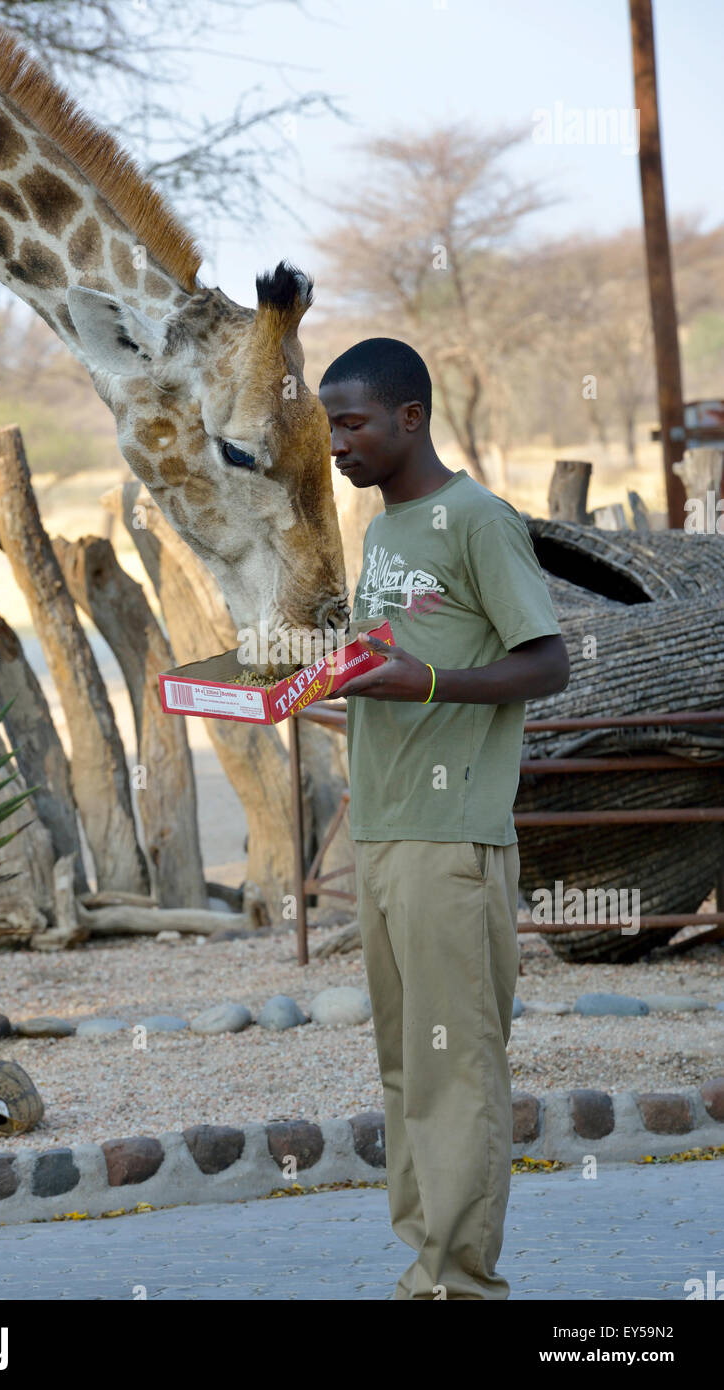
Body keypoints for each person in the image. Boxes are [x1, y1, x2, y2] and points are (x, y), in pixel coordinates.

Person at [318, 338, 570, 1300]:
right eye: (330, 426)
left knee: (455, 1072)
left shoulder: (476, 520)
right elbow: (391, 664)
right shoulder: (384, 533)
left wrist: (422, 680)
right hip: (382, 833)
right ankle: (424, 1272)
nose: (337, 445)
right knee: (404, 1073)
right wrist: (317, 685)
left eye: (353, 424)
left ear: (409, 419)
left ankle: (459, 1288)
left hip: (449, 838)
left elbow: (546, 662)